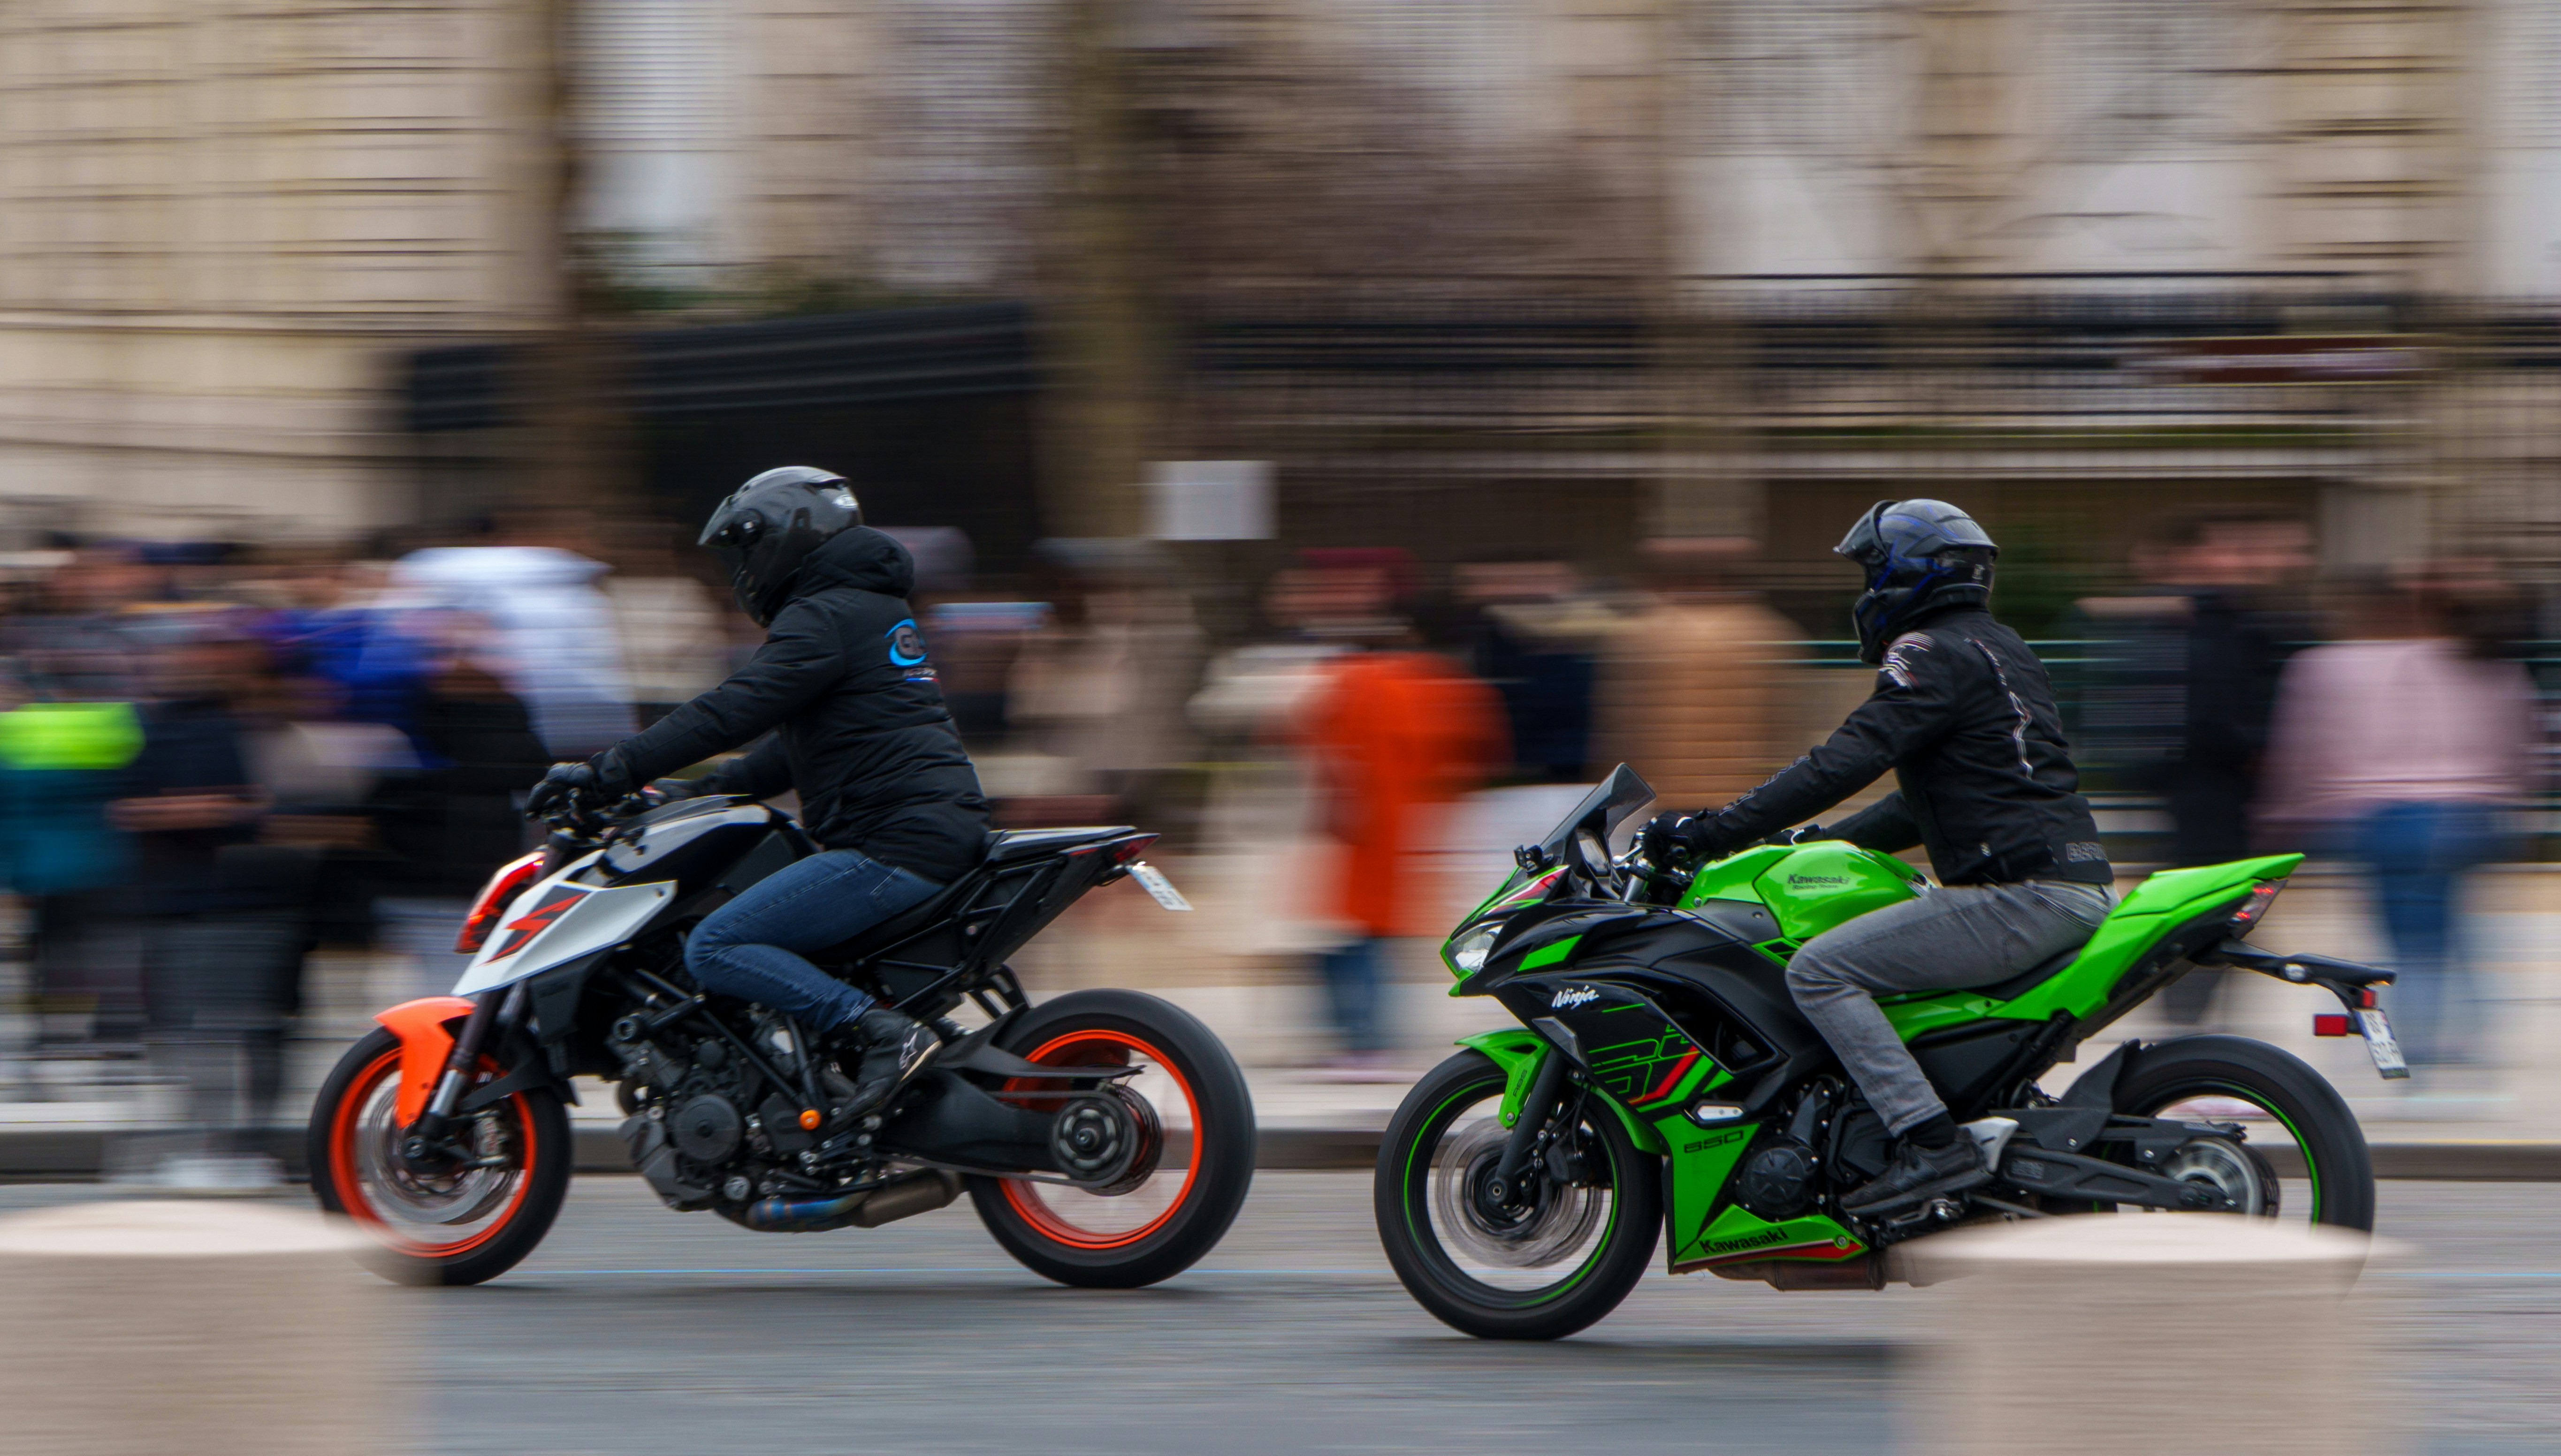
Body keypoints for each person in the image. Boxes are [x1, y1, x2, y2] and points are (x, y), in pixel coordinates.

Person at [1641, 500, 2116, 1217]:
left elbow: (1842, 760)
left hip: (2019, 895)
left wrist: (1713, 831)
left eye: (1870, 572)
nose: (1863, 591)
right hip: (2064, 884)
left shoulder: (1925, 651)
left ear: (1908, 575)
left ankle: (1929, 1144)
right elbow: (1917, 807)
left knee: (1821, 969)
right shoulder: (2002, 647)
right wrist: (1801, 844)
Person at [524, 467, 990, 1116]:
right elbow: (790, 753)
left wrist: (608, 771)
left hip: (891, 846)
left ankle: (879, 1031)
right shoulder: (867, 608)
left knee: (715, 945)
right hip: (926, 830)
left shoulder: (823, 614)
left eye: (743, 552)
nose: (740, 570)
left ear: (780, 542)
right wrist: (695, 794)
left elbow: (732, 710)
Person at [2256, 567, 2534, 1069]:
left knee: (2407, 938)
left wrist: (2282, 812)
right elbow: (2518, 744)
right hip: (2475, 814)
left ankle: (2417, 1047)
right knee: (2454, 927)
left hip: (2385, 818)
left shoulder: (2326, 665)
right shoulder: (2485, 660)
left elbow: (2302, 747)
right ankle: (2472, 1030)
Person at [2073, 507, 2313, 1027]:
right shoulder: (2196, 620)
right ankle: (2188, 1032)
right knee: (2207, 911)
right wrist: (2252, 751)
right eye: (2224, 549)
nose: (2240, 560)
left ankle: (2193, 1027)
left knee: (2217, 910)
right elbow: (2211, 710)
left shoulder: (2220, 617)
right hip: (2205, 789)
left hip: (2202, 787)